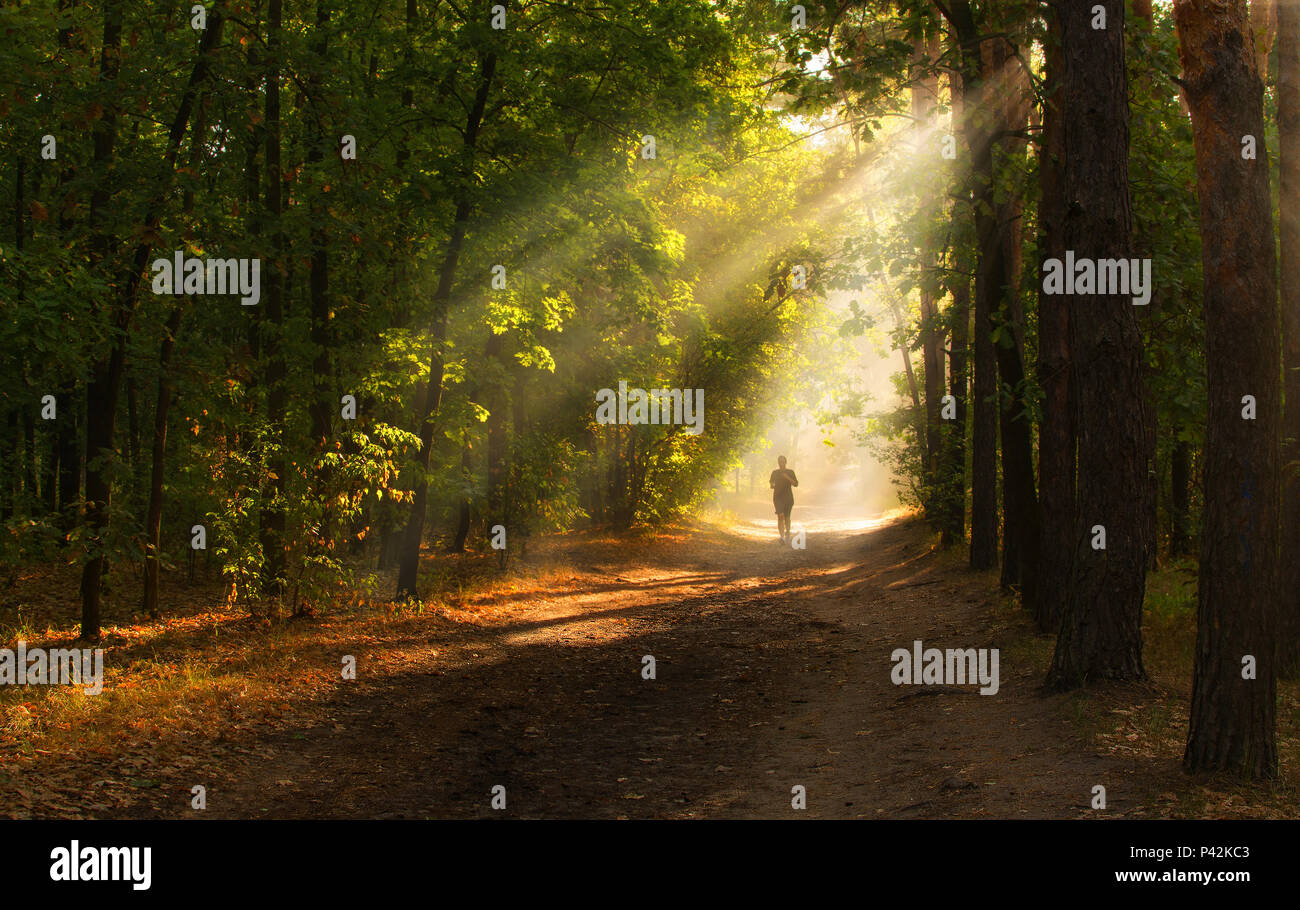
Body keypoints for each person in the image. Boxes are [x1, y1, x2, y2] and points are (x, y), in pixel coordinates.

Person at [769, 455, 798, 544]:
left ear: (785, 462)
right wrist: (772, 485)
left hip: (788, 497)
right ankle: (782, 537)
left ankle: (787, 532)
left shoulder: (790, 472)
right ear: (778, 463)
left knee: (787, 517)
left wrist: (787, 477)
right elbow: (771, 485)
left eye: (783, 461)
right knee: (780, 516)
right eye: (780, 461)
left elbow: (796, 484)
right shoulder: (775, 472)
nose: (781, 463)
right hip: (777, 497)